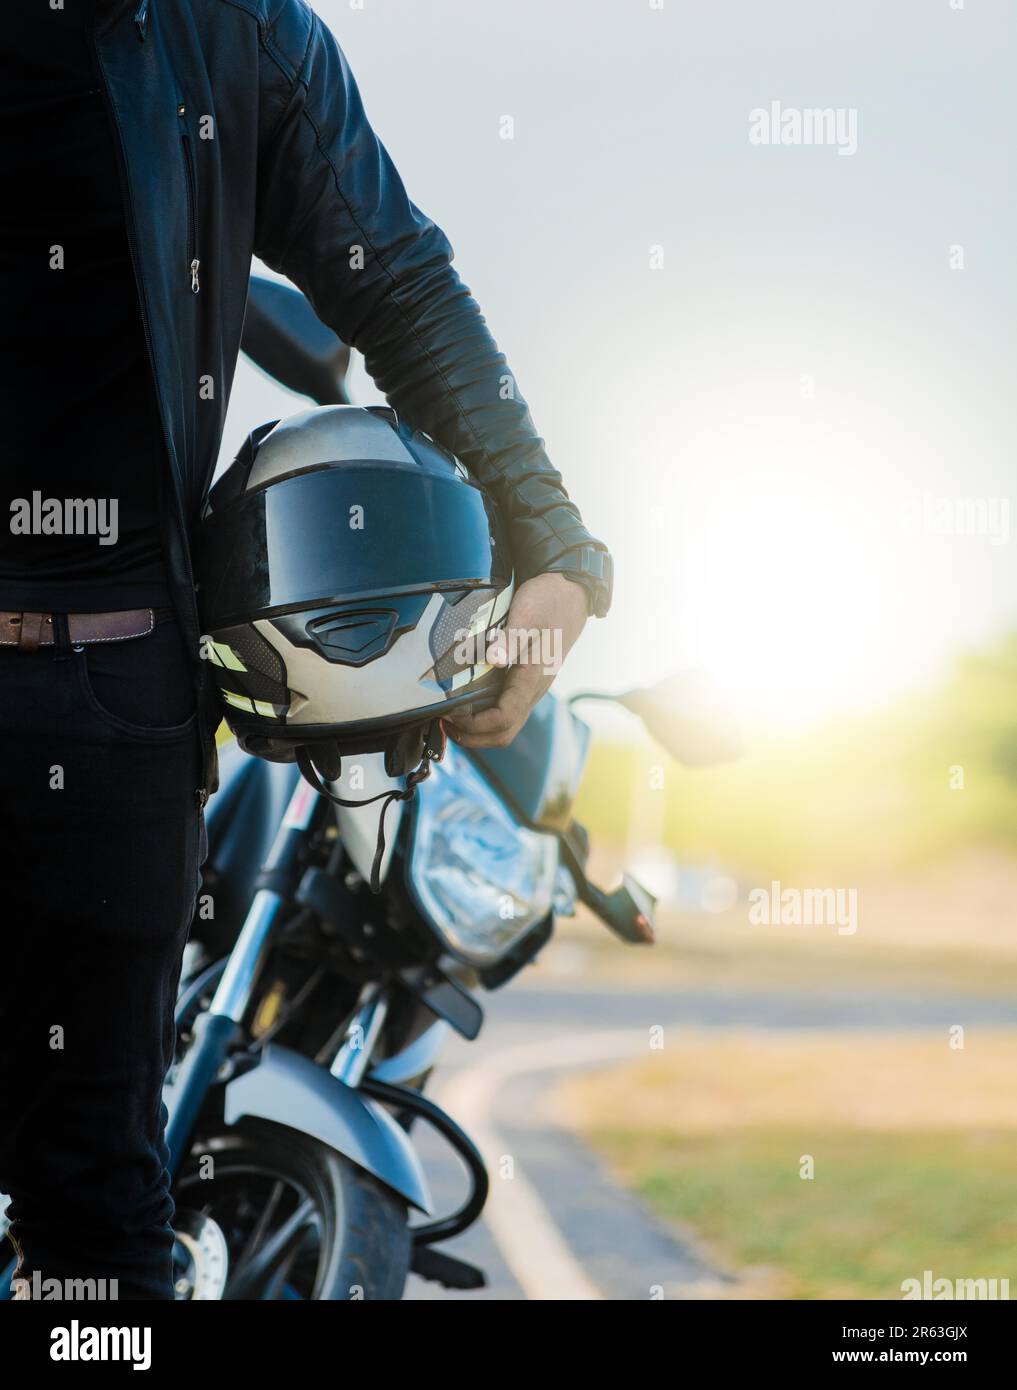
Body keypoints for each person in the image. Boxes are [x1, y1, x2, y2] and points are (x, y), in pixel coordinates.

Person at [0, 0, 612, 1301]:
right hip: (106, 690)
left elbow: (392, 274)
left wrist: (551, 540)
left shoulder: (236, 32)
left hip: (109, 698)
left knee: (93, 1234)